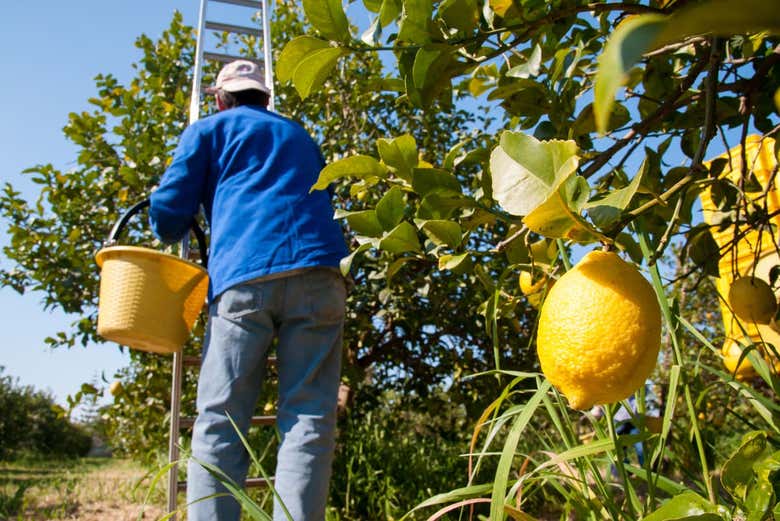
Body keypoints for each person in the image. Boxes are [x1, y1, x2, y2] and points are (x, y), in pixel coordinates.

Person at [149, 59, 349, 521]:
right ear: (266, 99)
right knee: (310, 418)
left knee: (221, 419)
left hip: (246, 274)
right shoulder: (299, 134)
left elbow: (168, 216)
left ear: (220, 98)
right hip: (320, 274)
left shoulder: (208, 130)